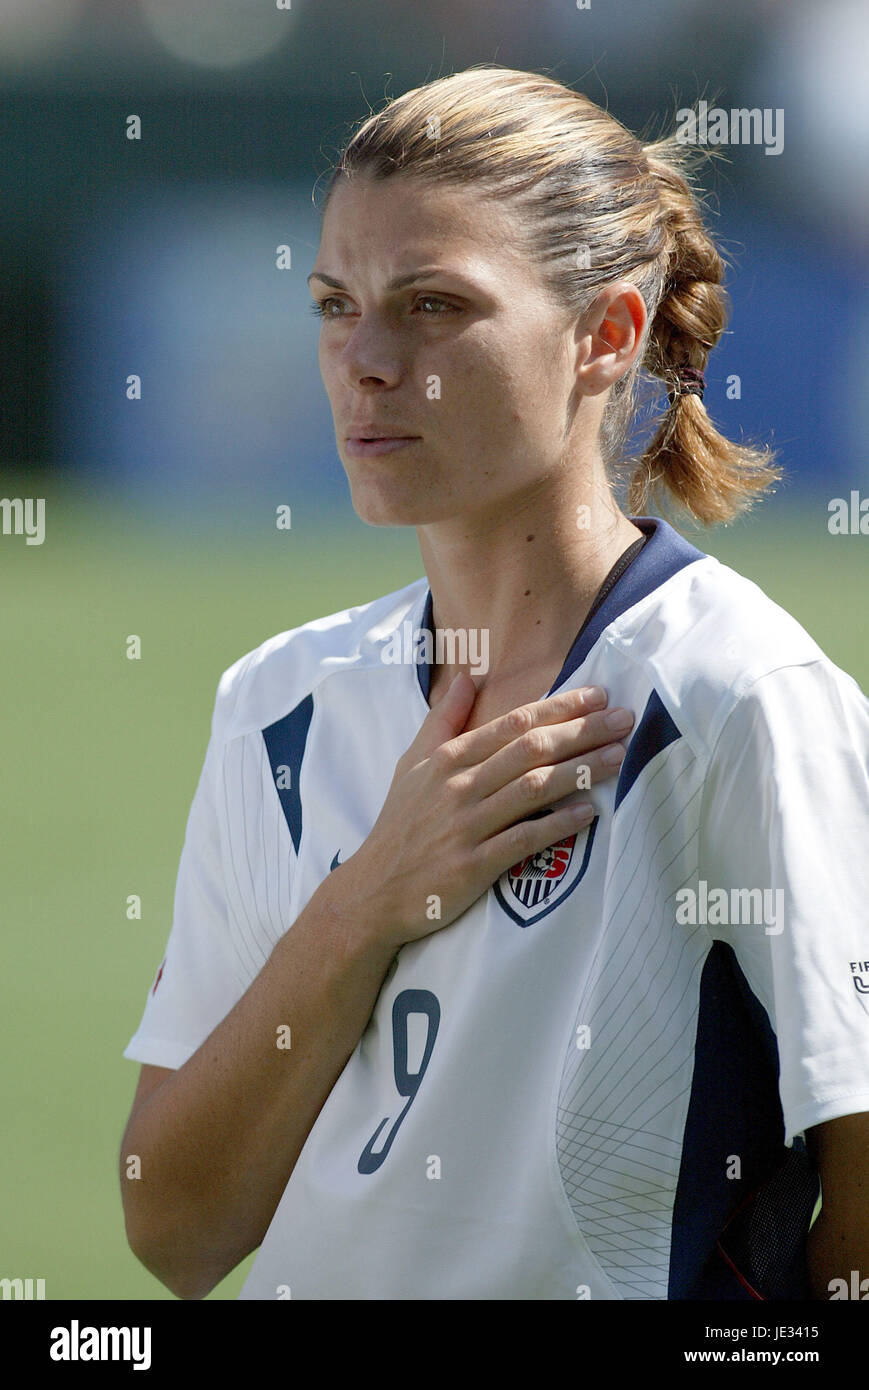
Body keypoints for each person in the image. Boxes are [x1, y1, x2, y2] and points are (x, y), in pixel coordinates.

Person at [119, 65, 869, 1301]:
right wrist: (367, 902)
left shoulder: (740, 696)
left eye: (431, 305)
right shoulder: (278, 705)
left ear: (605, 334)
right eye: (331, 302)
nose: (363, 358)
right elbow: (178, 1233)